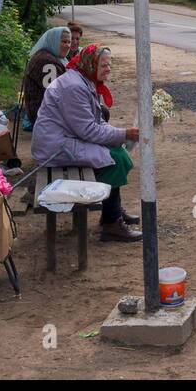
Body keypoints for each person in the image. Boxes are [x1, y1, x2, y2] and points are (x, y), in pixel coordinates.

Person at [30, 43, 141, 242]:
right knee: (114, 159)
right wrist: (125, 134)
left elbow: (95, 123)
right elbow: (89, 130)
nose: (109, 69)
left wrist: (121, 135)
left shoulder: (83, 80)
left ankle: (112, 211)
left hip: (66, 138)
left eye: (109, 64)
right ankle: (111, 223)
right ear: (91, 65)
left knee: (117, 153)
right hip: (55, 146)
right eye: (104, 65)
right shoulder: (74, 86)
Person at [22, 26, 70, 127]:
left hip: (49, 111)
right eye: (64, 42)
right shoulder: (46, 62)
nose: (67, 45)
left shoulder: (52, 56)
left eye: (68, 42)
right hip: (46, 115)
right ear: (54, 41)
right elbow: (55, 94)